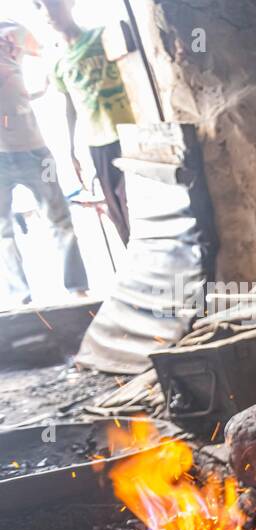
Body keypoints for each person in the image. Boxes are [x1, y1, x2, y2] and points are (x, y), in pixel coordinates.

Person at [0, 15, 87, 305]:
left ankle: (77, 289)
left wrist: (39, 89)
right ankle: (19, 299)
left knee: (60, 219)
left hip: (34, 147)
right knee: (3, 231)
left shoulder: (15, 30)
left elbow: (49, 57)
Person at [33, 0, 134, 243]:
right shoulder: (58, 61)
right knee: (117, 209)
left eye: (53, 3)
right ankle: (140, 266)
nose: (48, 11)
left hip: (129, 131)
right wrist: (70, 150)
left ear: (70, 3)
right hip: (98, 142)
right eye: (39, 6)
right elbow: (71, 106)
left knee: (136, 200)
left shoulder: (102, 37)